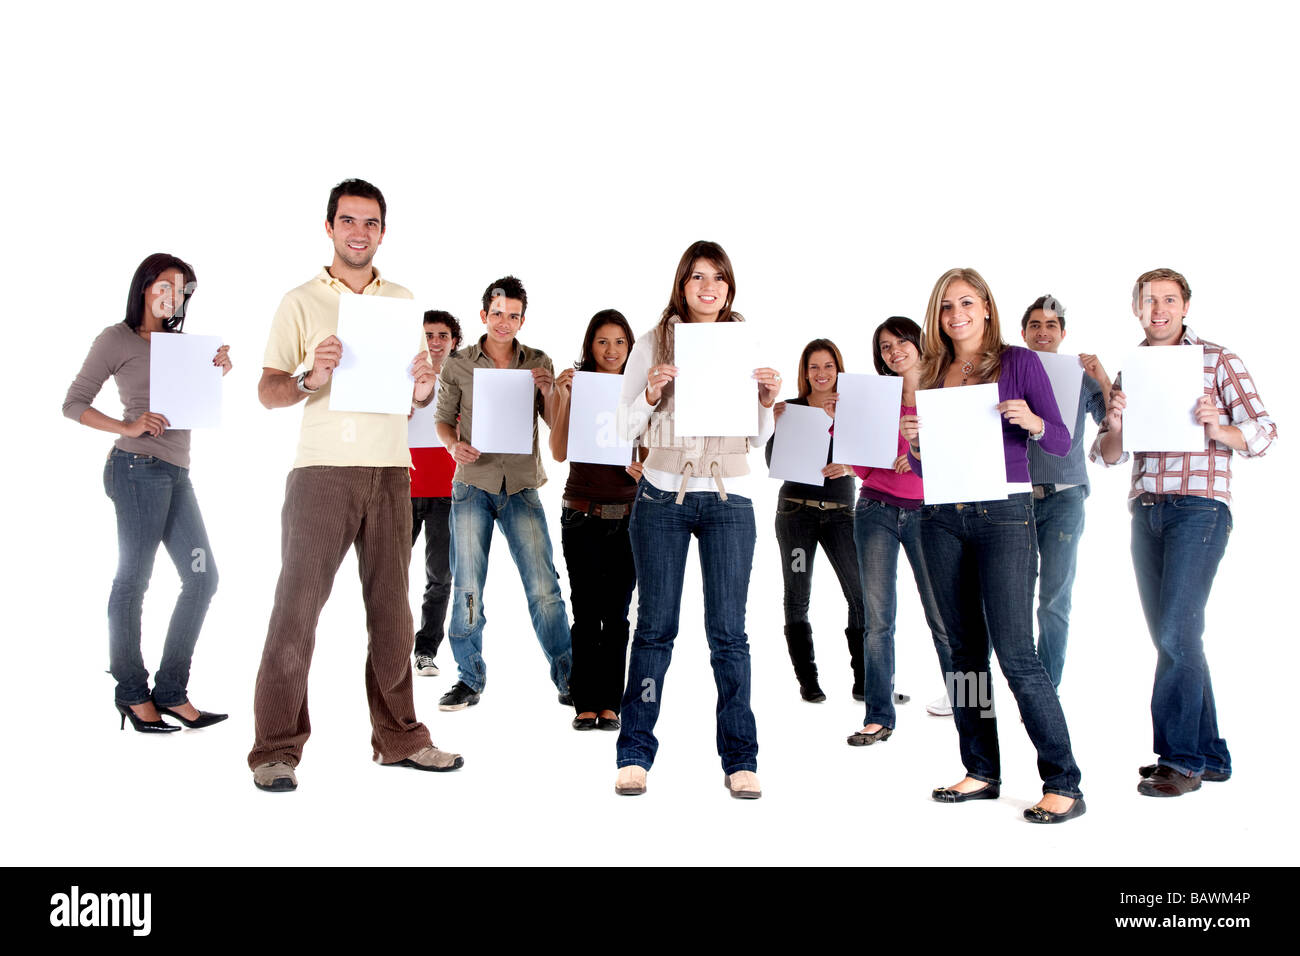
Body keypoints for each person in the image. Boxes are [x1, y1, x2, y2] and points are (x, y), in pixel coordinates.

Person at [247, 178, 462, 792]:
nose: (359, 232)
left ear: (382, 232)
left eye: (370, 222)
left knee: (393, 615)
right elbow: (267, 391)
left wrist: (423, 387)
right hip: (321, 472)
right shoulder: (300, 301)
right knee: (297, 610)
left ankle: (399, 739)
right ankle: (275, 749)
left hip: (394, 471)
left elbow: (409, 397)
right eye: (348, 220)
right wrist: (311, 376)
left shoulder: (402, 301)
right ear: (330, 228)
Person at [906, 267, 1085, 824]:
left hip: (1004, 513)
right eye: (945, 306)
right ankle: (981, 770)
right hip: (940, 516)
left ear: (985, 306)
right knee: (963, 654)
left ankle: (1064, 781)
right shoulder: (932, 370)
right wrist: (915, 446)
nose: (955, 314)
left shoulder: (1018, 361)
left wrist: (1031, 418)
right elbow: (925, 462)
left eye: (965, 302)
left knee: (1015, 653)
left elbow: (1059, 436)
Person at [1091, 267, 1276, 797]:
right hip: (1146, 510)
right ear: (1136, 308)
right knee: (1175, 637)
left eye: (1169, 299)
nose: (1158, 309)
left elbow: (1265, 433)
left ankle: (1180, 759)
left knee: (1175, 633)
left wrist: (1221, 428)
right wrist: (1116, 426)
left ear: (1185, 306)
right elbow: (1107, 456)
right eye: (1149, 300)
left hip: (1200, 510)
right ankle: (1211, 756)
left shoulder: (1217, 359)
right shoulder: (1132, 370)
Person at [613, 240, 781, 800]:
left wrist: (766, 399)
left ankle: (741, 759)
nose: (708, 287)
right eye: (696, 277)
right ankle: (634, 753)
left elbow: (758, 437)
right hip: (663, 495)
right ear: (682, 285)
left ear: (729, 287)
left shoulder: (744, 342)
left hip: (730, 499)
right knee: (655, 630)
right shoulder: (652, 341)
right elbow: (619, 426)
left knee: (728, 635)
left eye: (718, 278)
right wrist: (653, 393)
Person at [64, 253, 229, 733]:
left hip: (177, 472)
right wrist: (128, 425)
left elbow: (189, 403)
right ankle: (132, 695)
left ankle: (172, 692)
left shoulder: (183, 347)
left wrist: (215, 370)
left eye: (181, 289)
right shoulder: (116, 339)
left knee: (202, 578)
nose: (172, 295)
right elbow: (73, 403)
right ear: (144, 287)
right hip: (135, 469)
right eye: (164, 284)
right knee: (133, 583)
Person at [433, 275, 573, 712]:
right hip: (472, 484)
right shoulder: (458, 364)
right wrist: (452, 444)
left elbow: (554, 426)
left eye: (513, 316)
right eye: (497, 314)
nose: (504, 322)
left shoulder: (537, 361)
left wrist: (552, 392)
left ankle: (569, 676)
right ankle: (468, 678)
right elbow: (442, 419)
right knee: (468, 585)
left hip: (522, 486)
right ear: (483, 315)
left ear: (522, 320)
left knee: (543, 586)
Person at [846, 317, 954, 747]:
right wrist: (845, 426)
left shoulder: (946, 391)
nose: (894, 352)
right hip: (876, 508)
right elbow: (863, 466)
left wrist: (921, 455)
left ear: (918, 342)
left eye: (900, 342)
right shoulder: (875, 399)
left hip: (931, 512)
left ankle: (974, 707)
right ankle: (878, 716)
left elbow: (965, 453)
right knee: (878, 621)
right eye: (885, 348)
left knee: (947, 618)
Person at [550, 310, 640, 731]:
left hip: (629, 517)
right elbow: (558, 450)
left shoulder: (642, 390)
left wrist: (646, 466)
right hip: (582, 514)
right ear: (590, 345)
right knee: (586, 611)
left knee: (617, 615)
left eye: (620, 342)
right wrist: (564, 397)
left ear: (630, 346)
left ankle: (611, 703)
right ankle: (585, 701)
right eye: (602, 342)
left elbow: (653, 445)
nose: (611, 350)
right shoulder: (579, 385)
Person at [764, 338, 865, 703]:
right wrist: (772, 424)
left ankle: (864, 678)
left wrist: (849, 462)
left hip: (840, 516)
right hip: (796, 514)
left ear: (838, 369)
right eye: (814, 367)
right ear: (805, 373)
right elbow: (774, 462)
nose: (821, 374)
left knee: (860, 595)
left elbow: (870, 461)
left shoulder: (853, 409)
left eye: (828, 366)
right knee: (797, 594)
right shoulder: (789, 408)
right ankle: (808, 680)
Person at [1019, 294, 1109, 690]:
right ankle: (973, 689)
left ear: (1063, 333)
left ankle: (1045, 689)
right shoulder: (1009, 370)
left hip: (1065, 497)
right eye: (1035, 325)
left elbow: (1112, 422)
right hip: (1014, 497)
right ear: (1023, 333)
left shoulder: (1080, 376)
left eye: (1051, 325)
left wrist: (1103, 378)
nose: (1042, 331)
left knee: (1054, 600)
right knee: (998, 599)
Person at [409, 309, 462, 677]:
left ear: (454, 341)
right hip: (404, 487)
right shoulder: (403, 376)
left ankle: (426, 650)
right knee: (391, 574)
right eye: (429, 334)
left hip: (446, 492)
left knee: (440, 577)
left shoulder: (464, 381)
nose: (436, 341)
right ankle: (390, 647)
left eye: (443, 335)